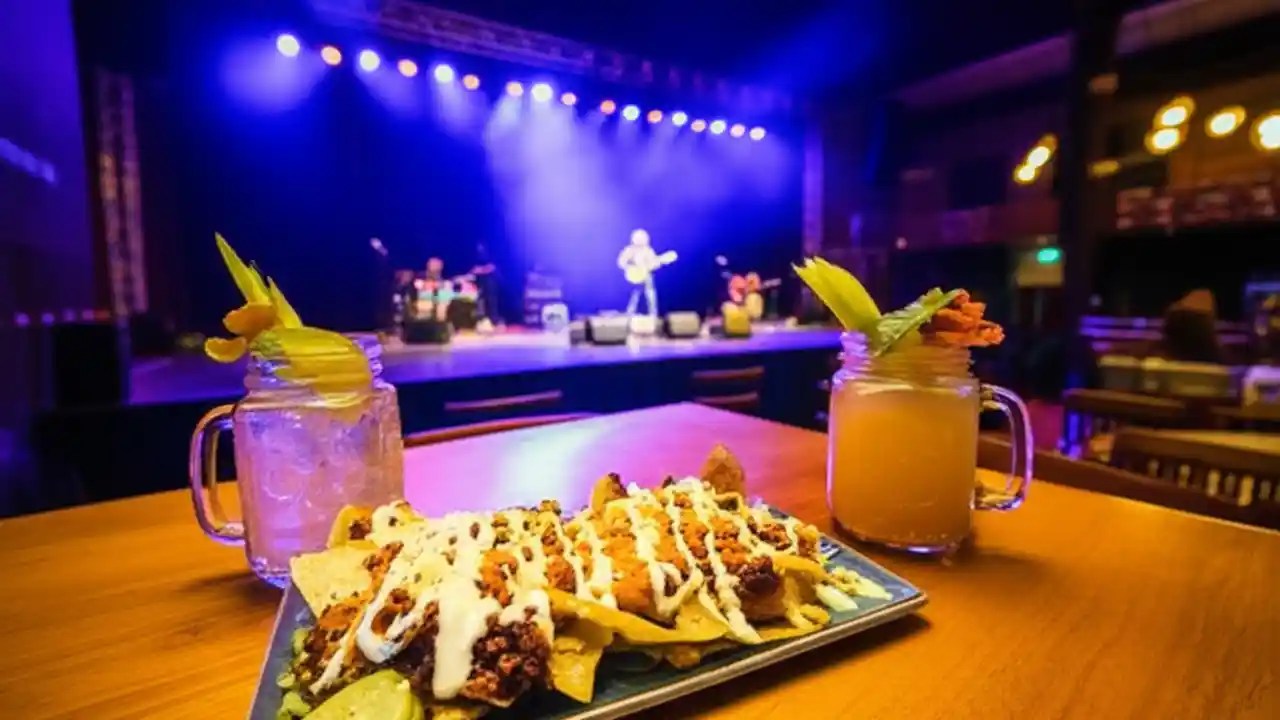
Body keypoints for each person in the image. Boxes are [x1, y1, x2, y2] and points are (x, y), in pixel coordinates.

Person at [617, 228, 663, 318]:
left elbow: (653, 263)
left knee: (650, 292)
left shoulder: (648, 251)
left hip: (645, 275)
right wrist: (629, 267)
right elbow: (621, 262)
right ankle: (630, 311)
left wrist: (655, 264)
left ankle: (653, 313)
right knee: (634, 293)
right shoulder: (629, 250)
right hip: (633, 276)